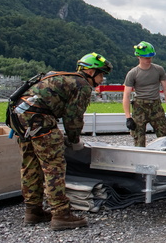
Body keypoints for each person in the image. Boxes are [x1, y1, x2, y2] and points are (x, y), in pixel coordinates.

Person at [9, 53, 112, 230]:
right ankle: (61, 214)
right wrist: (74, 141)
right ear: (91, 71)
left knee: (30, 165)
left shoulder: (63, 77)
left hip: (19, 118)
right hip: (39, 120)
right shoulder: (82, 85)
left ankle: (33, 211)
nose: (102, 80)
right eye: (101, 74)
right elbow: (73, 118)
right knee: (53, 167)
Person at [122, 41, 166, 147]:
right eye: (146, 58)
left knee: (164, 135)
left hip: (155, 105)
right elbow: (126, 95)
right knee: (139, 138)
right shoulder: (133, 73)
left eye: (150, 57)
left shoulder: (158, 70)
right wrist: (128, 117)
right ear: (139, 57)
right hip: (139, 106)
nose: (148, 60)